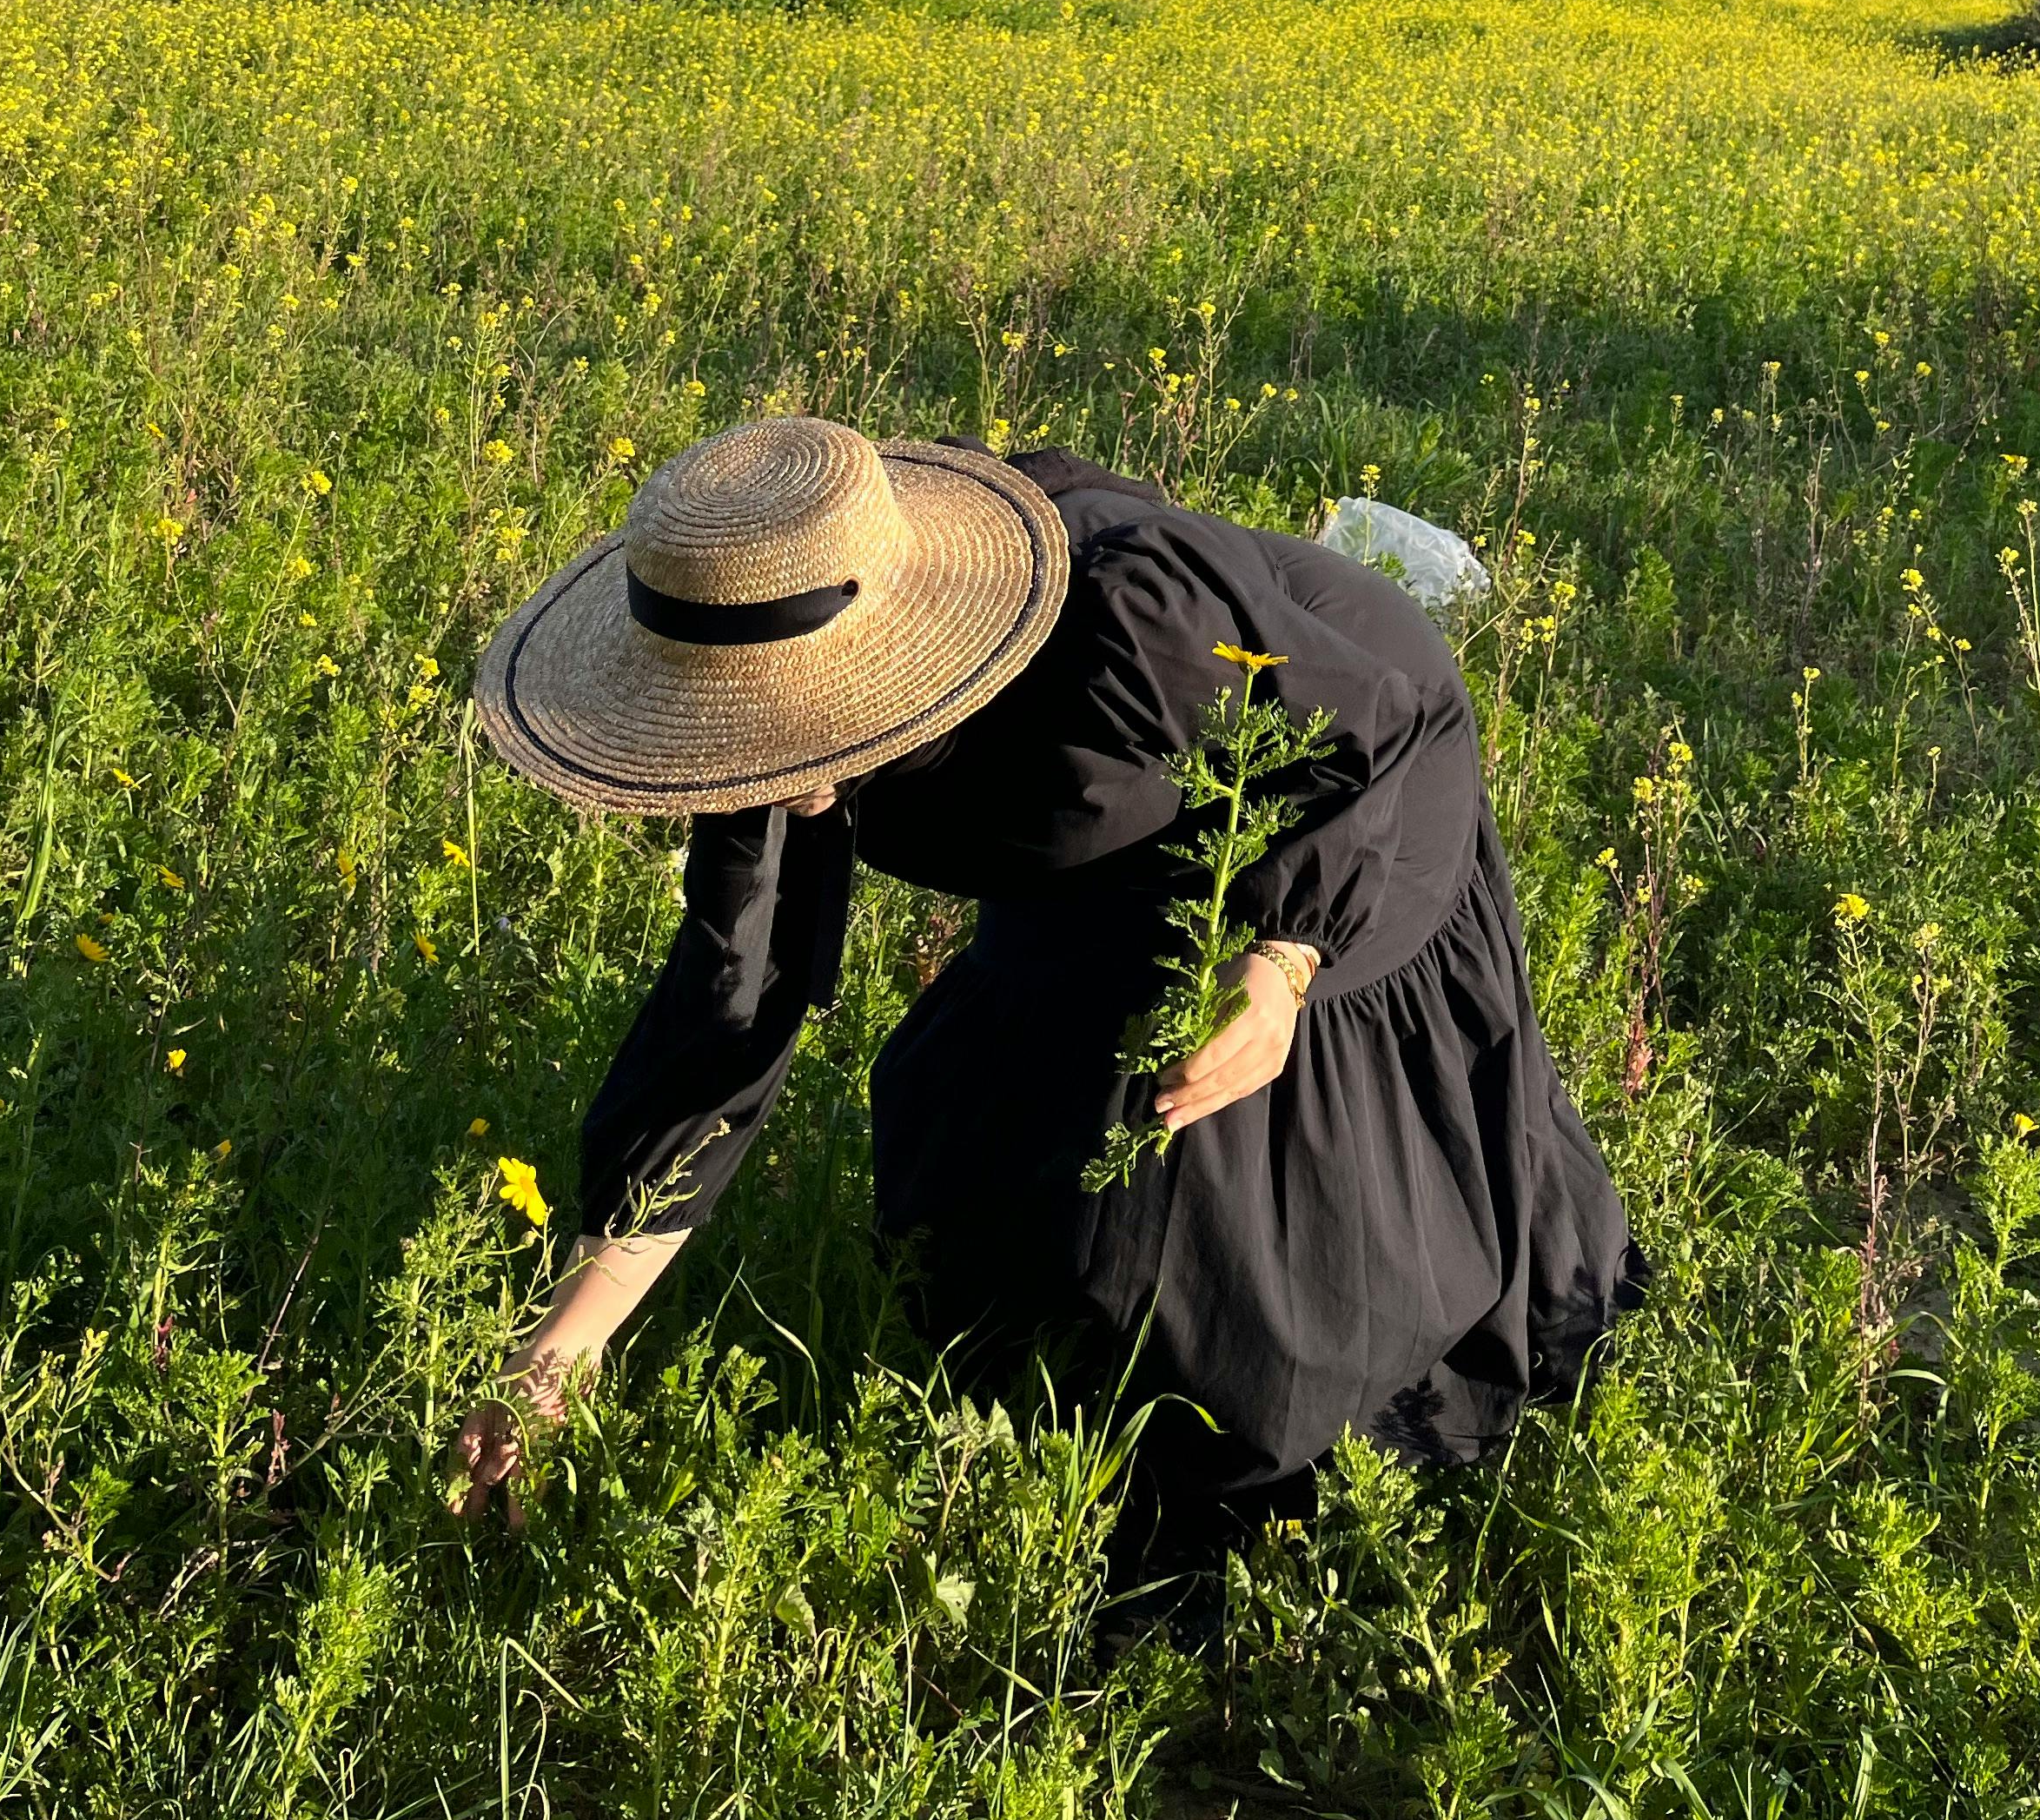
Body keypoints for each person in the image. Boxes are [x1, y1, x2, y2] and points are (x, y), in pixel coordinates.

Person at [453, 416, 1641, 1558]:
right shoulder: (757, 703)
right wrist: (561, 1350)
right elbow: (734, 1009)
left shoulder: (1128, 625)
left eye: (790, 734)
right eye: (740, 735)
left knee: (1248, 1273)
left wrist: (1284, 961)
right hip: (1096, 833)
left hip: (1341, 774)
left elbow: (1360, 743)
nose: (772, 770)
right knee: (1024, 1148)